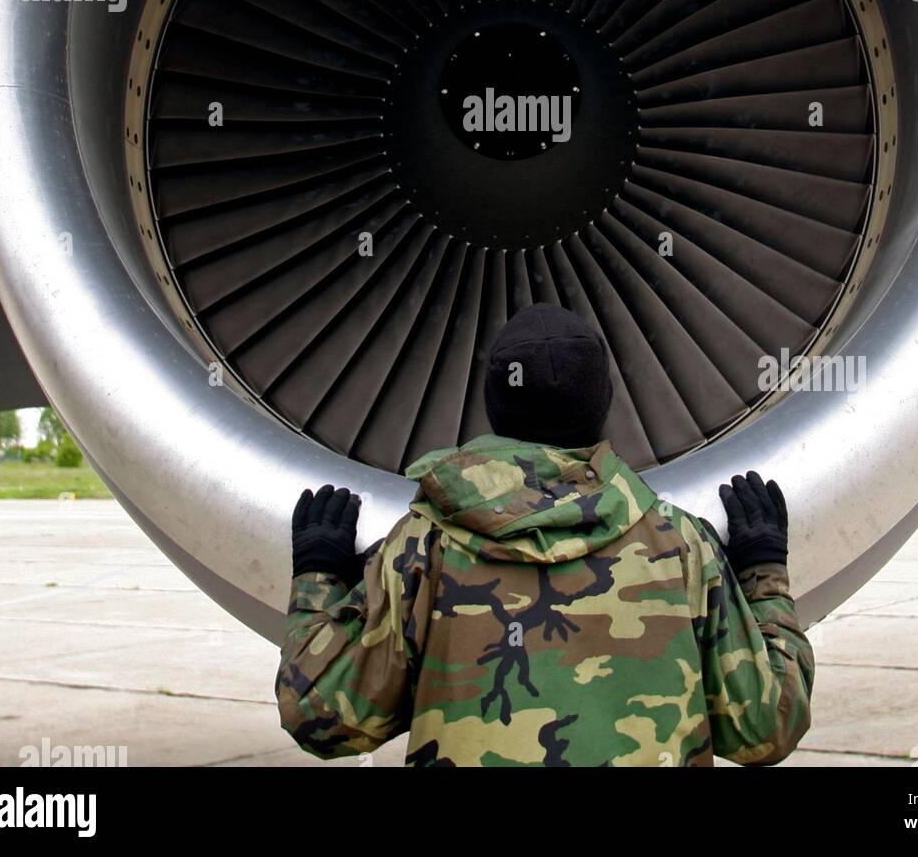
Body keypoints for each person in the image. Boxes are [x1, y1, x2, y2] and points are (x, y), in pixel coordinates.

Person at [275, 302, 814, 766]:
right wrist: (762, 572)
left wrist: (319, 577)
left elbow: (325, 718)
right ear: (604, 404)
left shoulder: (422, 547)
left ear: (493, 405)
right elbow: (766, 728)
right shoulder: (682, 545)